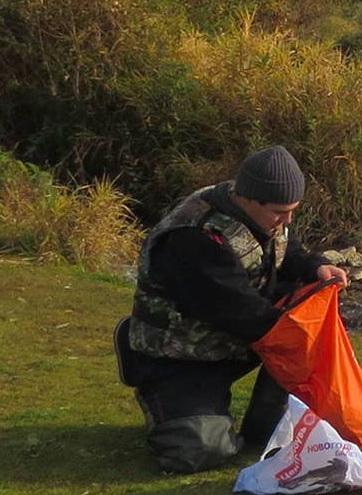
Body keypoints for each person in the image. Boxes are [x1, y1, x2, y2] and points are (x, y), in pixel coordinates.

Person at [119, 145, 349, 473]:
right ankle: (154, 385)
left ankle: (264, 427)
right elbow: (238, 310)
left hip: (229, 342)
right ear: (250, 199)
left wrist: (316, 268)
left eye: (293, 211)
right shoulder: (194, 239)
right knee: (199, 451)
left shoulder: (263, 211)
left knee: (304, 317)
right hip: (179, 357)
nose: (287, 220)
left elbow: (284, 250)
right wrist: (298, 332)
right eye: (281, 212)